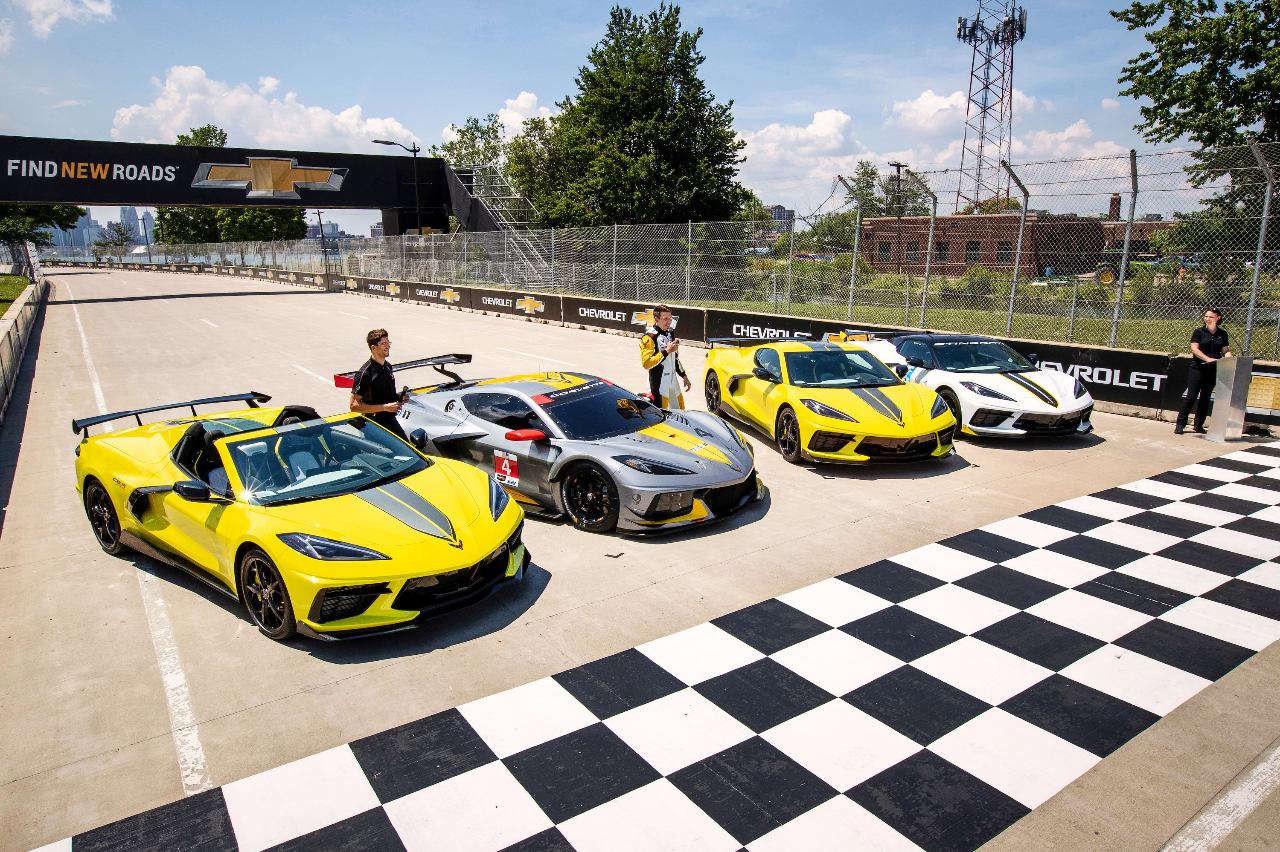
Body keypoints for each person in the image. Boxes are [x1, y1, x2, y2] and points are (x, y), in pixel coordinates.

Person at [1175, 308, 1231, 435]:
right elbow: (1194, 349)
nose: (1207, 318)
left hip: (1212, 369)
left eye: (1211, 317)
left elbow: (1225, 350)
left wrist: (1229, 358)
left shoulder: (1222, 334)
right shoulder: (1199, 332)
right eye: (1206, 316)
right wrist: (1207, 359)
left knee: (1206, 397)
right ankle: (1180, 424)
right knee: (1191, 395)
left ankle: (1199, 425)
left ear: (1218, 318)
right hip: (1197, 368)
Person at [349, 328, 409, 440]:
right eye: (384, 343)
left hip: (390, 420)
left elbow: (384, 396)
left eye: (388, 342)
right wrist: (385, 407)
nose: (388, 346)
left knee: (408, 451)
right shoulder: (365, 373)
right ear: (373, 347)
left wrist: (398, 397)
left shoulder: (387, 367)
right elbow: (354, 406)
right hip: (374, 426)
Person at [640, 304, 691, 409]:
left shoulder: (670, 333)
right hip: (660, 384)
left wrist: (684, 375)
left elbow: (675, 358)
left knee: (681, 412)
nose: (669, 322)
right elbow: (646, 363)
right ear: (656, 319)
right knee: (661, 416)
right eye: (665, 319)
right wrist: (666, 351)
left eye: (670, 318)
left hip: (673, 381)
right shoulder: (649, 337)